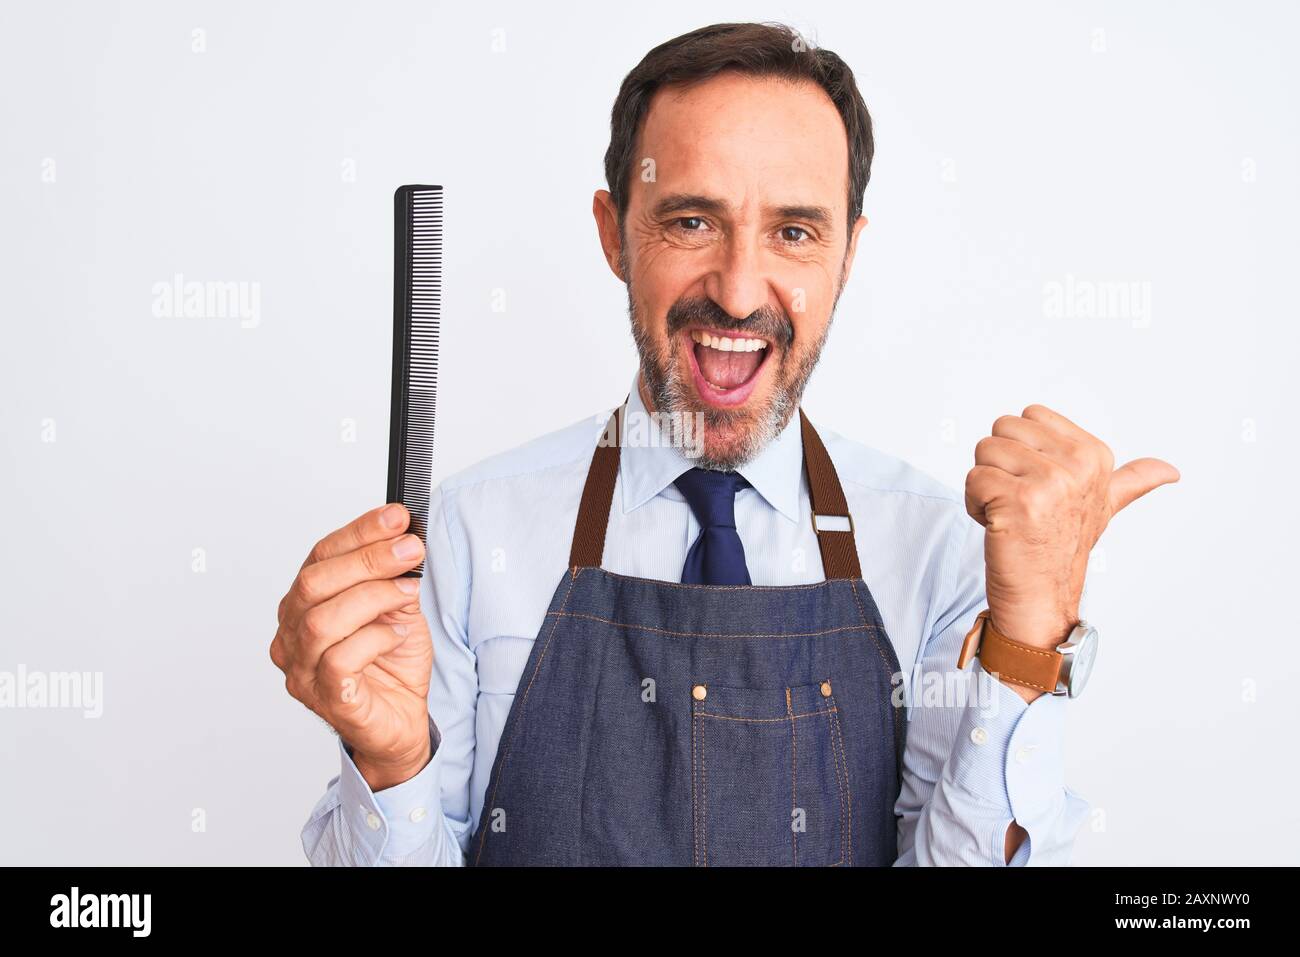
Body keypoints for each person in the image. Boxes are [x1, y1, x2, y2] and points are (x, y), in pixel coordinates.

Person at [270, 21, 1178, 866]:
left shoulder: (940, 552)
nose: (740, 292)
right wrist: (390, 763)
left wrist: (1028, 642)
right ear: (614, 233)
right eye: (692, 221)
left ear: (848, 255)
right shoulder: (469, 537)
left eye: (794, 231)